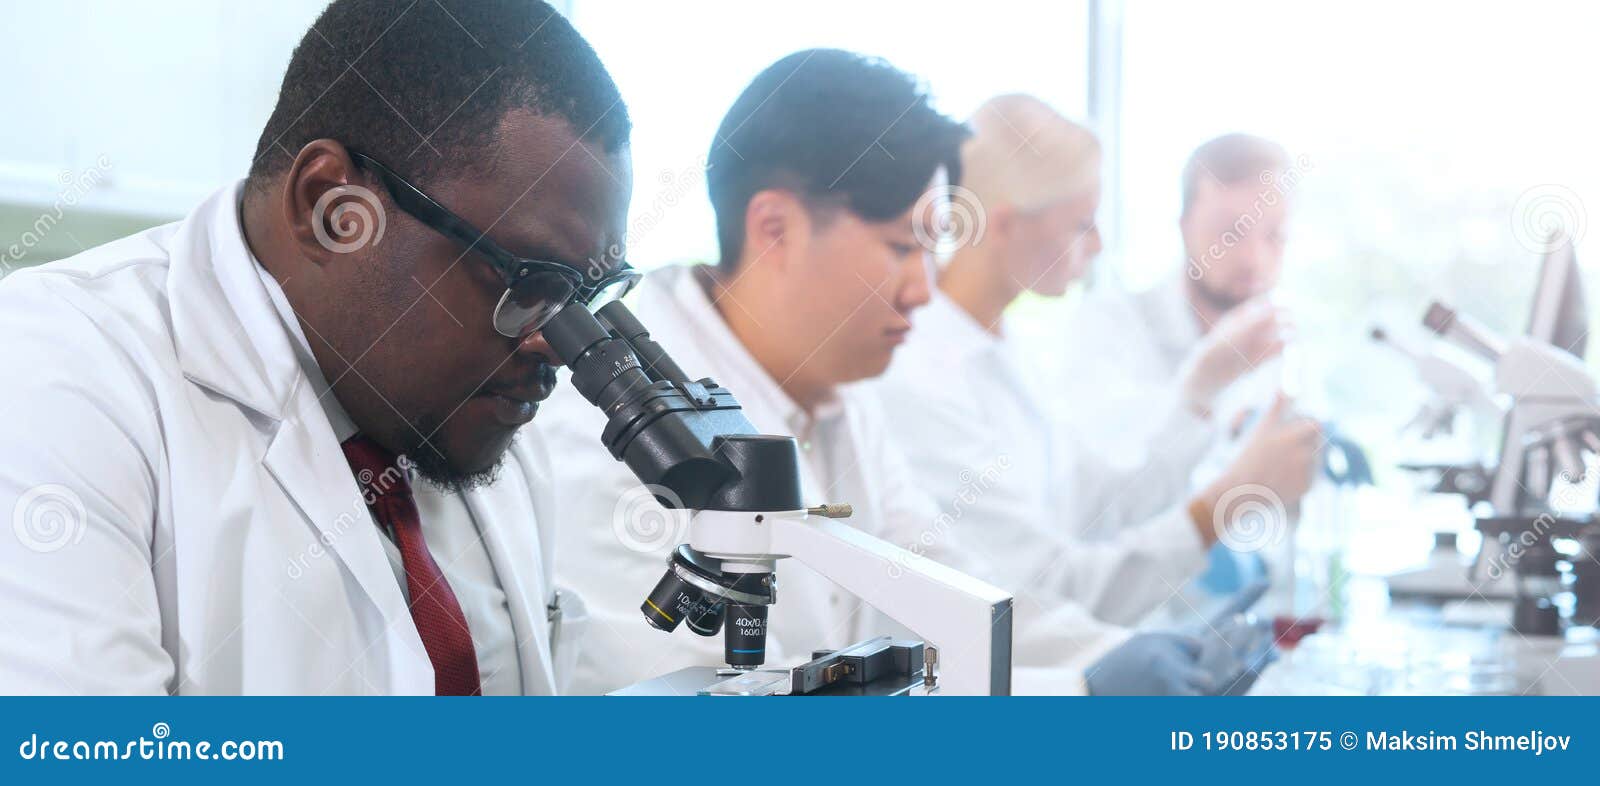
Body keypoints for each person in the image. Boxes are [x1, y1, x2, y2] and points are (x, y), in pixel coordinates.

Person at [543, 50, 1265, 696]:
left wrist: (1120, 658)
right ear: (776, 229)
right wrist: (1080, 693)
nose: (924, 290)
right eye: (901, 247)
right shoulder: (627, 429)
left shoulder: (833, 396)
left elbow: (947, 584)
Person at [0, 0, 632, 695]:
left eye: (584, 295)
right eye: (528, 279)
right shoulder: (52, 379)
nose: (557, 343)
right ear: (331, 208)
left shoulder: (478, 413)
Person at [876, 96, 1321, 625]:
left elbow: (1098, 511)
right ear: (1005, 225)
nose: (1100, 244)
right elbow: (1046, 593)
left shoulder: (1011, 350)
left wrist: (1198, 395)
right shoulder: (922, 376)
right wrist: (1228, 497)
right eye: (1081, 224)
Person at [1060, 132, 1297, 462]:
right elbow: (1102, 492)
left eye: (1275, 236)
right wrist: (1200, 390)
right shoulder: (1104, 328)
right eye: (1231, 232)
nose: (1253, 259)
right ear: (1184, 226)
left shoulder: (1286, 349)